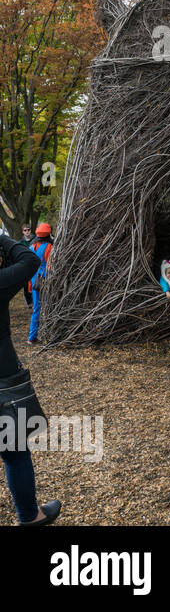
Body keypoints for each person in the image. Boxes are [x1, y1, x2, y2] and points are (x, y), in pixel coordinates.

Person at [1, 232, 61, 524]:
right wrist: (1, 238)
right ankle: (30, 515)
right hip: (2, 378)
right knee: (13, 450)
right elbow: (30, 259)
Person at [27, 223, 52, 344]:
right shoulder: (49, 247)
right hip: (45, 280)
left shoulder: (31, 247)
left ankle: (32, 337)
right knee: (47, 306)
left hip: (34, 280)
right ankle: (47, 335)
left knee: (36, 308)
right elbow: (50, 265)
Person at [19, 225, 32, 308]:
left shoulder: (35, 240)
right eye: (25, 230)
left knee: (35, 283)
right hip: (25, 265)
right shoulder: (20, 242)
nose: (27, 231)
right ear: (23, 232)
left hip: (34, 264)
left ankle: (35, 300)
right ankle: (29, 302)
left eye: (28, 230)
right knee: (26, 284)